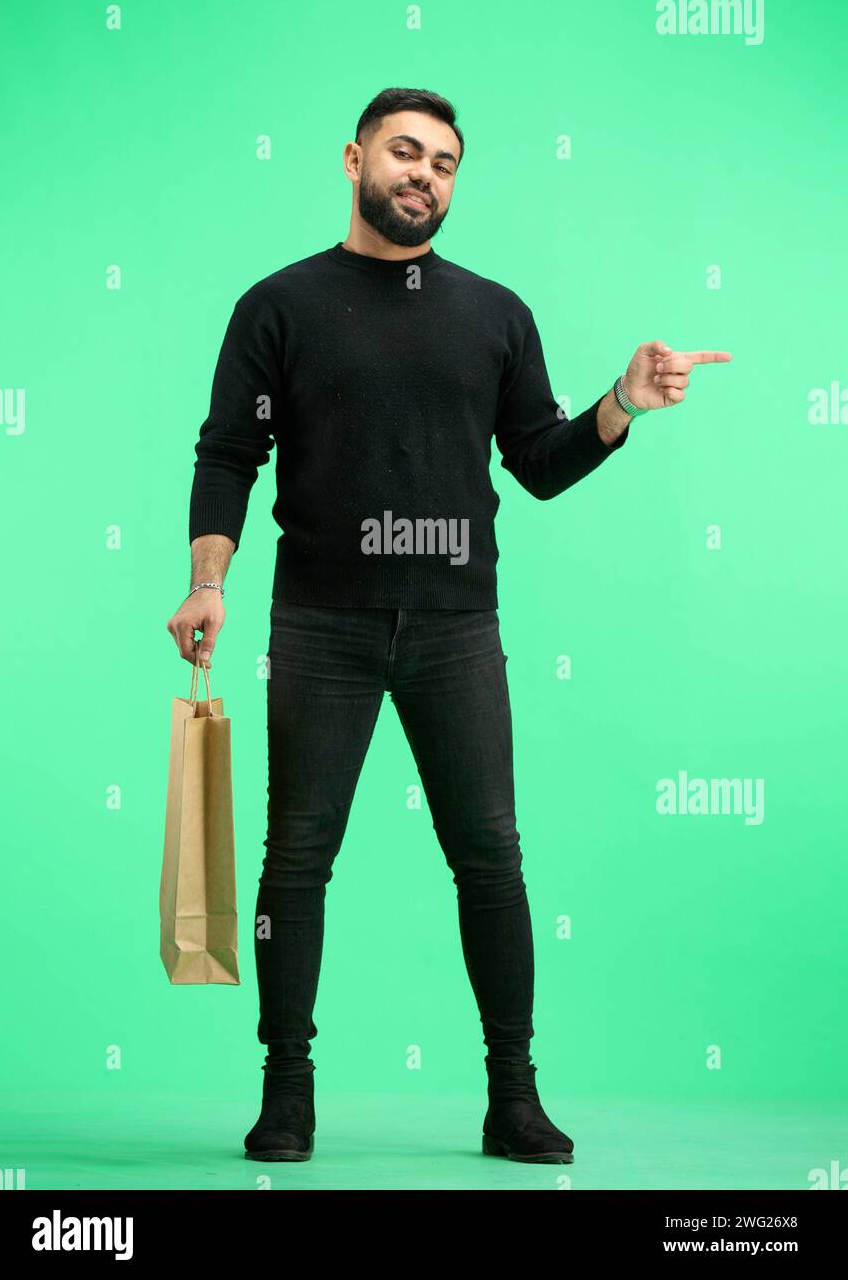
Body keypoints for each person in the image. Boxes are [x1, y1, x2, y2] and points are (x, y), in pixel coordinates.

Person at [166, 87, 732, 1165]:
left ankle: (511, 1096)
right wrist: (209, 581)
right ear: (353, 159)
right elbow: (226, 453)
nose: (424, 174)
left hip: (456, 625)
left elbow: (540, 463)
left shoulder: (493, 312)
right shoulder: (276, 305)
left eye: (445, 163)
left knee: (488, 856)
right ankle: (287, 1092)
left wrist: (619, 404)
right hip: (319, 622)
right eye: (405, 152)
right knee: (295, 857)